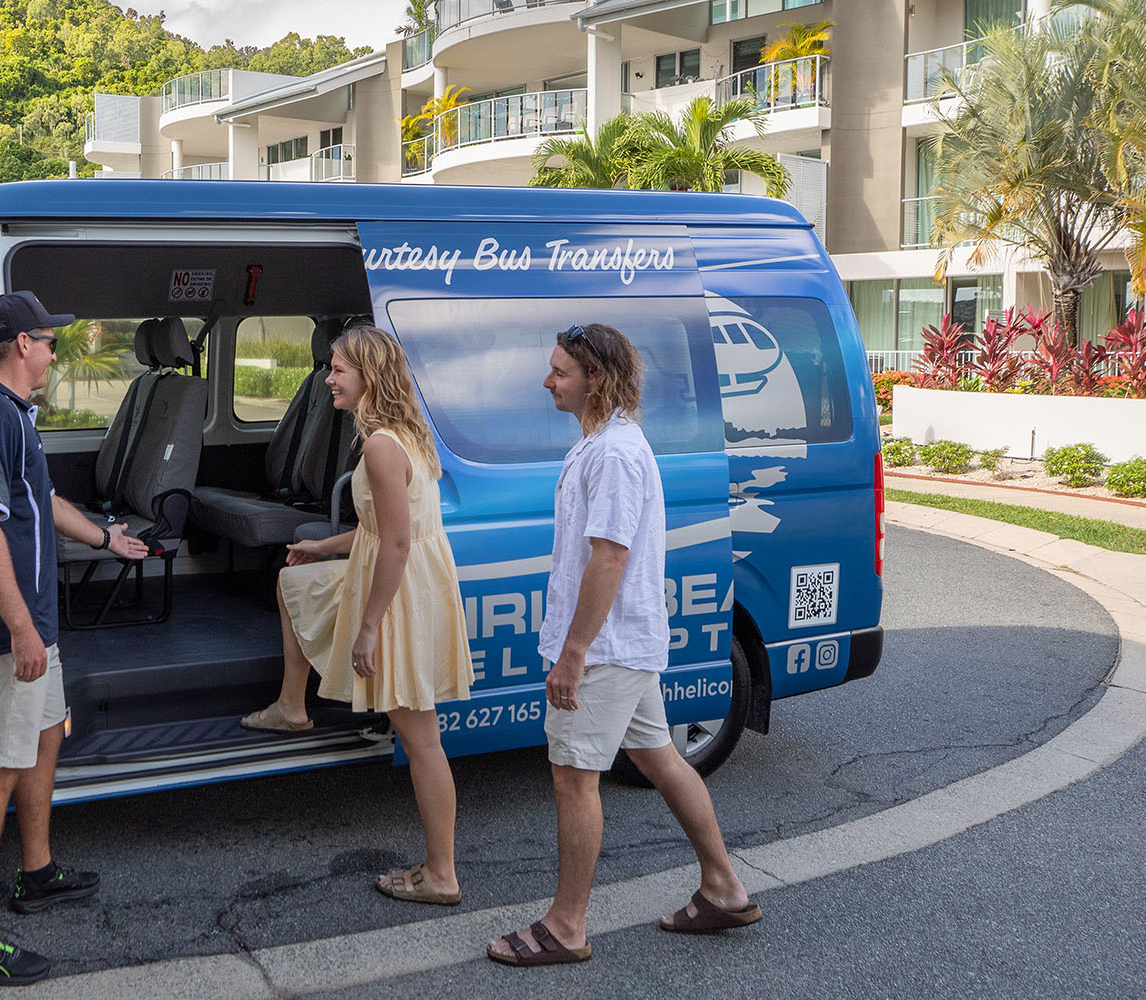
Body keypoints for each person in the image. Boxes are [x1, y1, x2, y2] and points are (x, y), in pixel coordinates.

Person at [487, 323, 760, 968]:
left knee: (573, 778)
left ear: (597, 380)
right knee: (661, 758)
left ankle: (567, 927)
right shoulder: (605, 444)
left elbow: (608, 556)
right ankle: (724, 887)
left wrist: (574, 652)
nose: (547, 381)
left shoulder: (612, 454)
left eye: (559, 372)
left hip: (606, 647)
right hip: (626, 641)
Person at [0, 290, 150, 986]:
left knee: (43, 736)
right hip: (13, 629)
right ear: (22, 345)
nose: (57, 350)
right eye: (49, 340)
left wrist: (105, 537)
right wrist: (21, 628)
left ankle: (37, 873)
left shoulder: (14, 416)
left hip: (34, 621)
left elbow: (40, 501)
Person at [241, 323, 475, 906]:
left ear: (369, 375)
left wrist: (368, 626)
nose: (329, 378)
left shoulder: (378, 446)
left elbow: (395, 544)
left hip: (397, 594)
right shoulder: (405, 435)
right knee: (297, 580)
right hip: (407, 579)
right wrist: (323, 547)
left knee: (422, 741)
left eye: (339, 369)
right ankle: (292, 706)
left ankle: (441, 874)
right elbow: (385, 531)